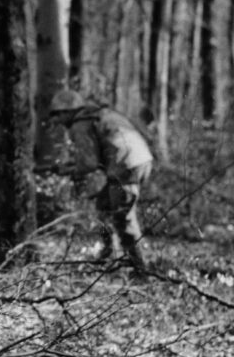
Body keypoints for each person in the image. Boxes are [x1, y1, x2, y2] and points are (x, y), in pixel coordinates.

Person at [47, 89, 156, 269]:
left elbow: (88, 164)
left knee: (123, 217)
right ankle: (109, 253)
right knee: (103, 205)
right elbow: (96, 156)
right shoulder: (98, 114)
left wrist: (67, 170)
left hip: (125, 166)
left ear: (67, 112)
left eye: (57, 115)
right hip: (141, 160)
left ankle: (140, 269)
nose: (57, 121)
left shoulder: (80, 125)